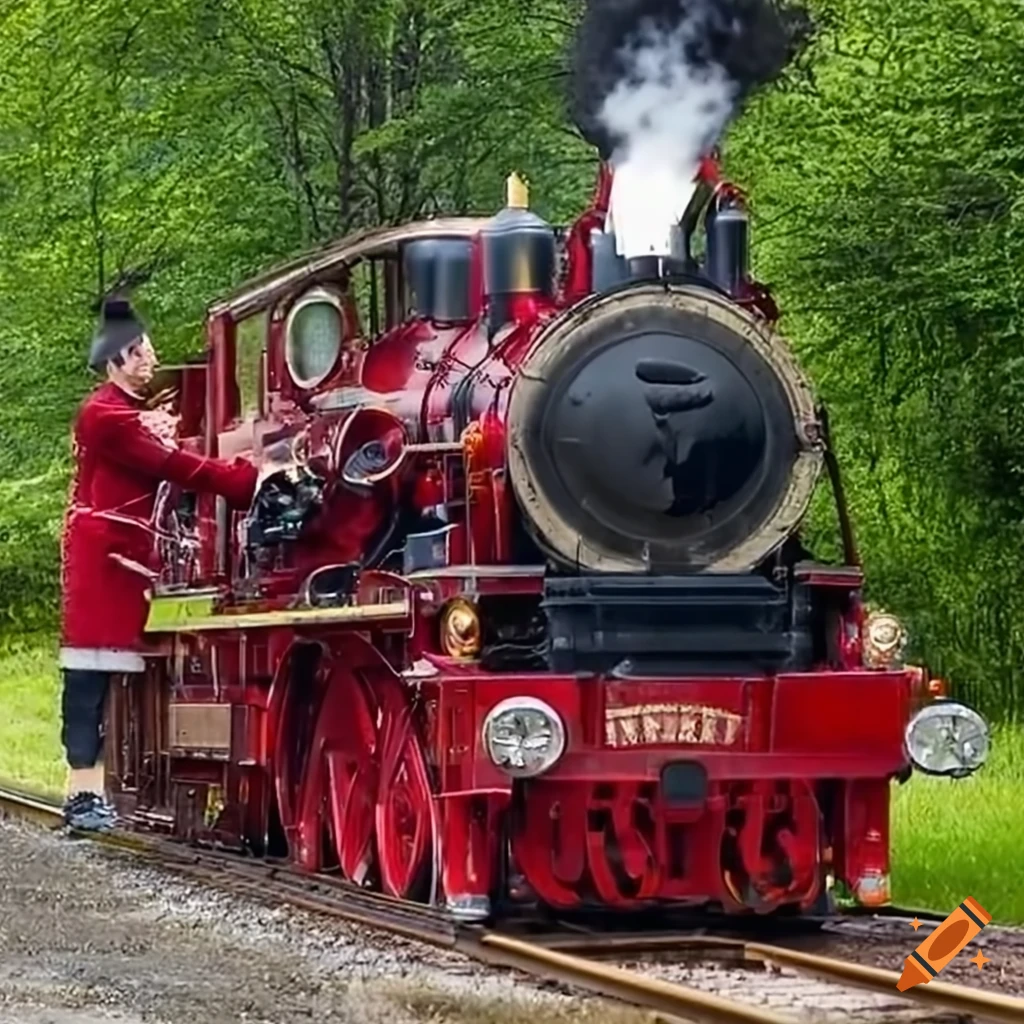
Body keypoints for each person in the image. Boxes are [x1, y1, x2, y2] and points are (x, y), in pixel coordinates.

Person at [59, 296, 258, 831]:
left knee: (108, 676)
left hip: (129, 555)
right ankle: (82, 794)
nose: (152, 359)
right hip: (107, 560)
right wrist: (245, 479)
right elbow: (170, 463)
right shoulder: (105, 417)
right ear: (118, 358)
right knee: (91, 676)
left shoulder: (125, 414)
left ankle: (105, 790)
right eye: (143, 353)